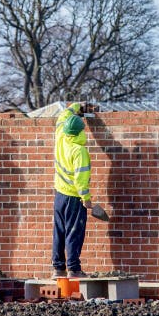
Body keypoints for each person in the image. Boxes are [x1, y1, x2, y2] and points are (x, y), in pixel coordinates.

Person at [51, 102, 93, 279]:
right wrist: (86, 198)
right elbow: (80, 178)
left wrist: (78, 106)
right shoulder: (79, 150)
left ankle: (58, 268)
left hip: (59, 195)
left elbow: (64, 114)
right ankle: (74, 270)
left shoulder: (60, 136)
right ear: (81, 132)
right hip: (74, 197)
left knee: (59, 232)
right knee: (74, 232)